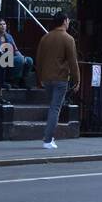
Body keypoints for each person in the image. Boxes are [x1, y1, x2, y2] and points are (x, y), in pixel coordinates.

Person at [34, 12, 79, 150]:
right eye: (68, 20)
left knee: (52, 107)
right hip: (60, 78)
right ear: (65, 21)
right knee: (55, 109)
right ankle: (48, 140)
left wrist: (39, 77)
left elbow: (39, 59)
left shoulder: (45, 37)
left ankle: (49, 138)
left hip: (46, 78)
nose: (69, 22)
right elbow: (73, 61)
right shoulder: (68, 38)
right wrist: (77, 80)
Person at [0, 19, 32, 86]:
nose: (3, 26)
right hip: (0, 57)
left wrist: (22, 56)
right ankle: (12, 80)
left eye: (4, 24)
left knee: (29, 60)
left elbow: (15, 49)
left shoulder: (9, 36)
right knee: (19, 60)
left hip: (11, 56)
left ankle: (22, 80)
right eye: (0, 24)